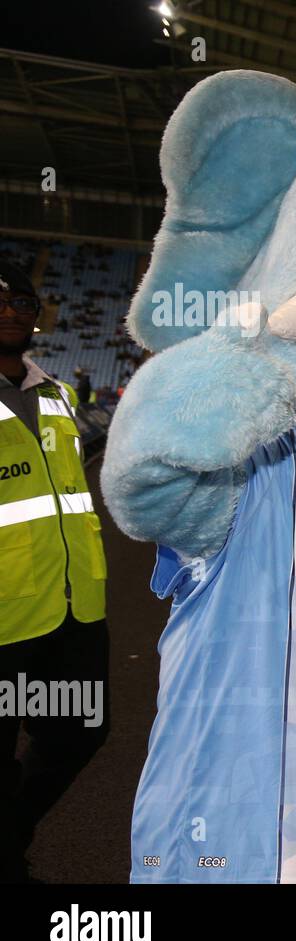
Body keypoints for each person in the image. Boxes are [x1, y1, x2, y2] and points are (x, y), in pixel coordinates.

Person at [0, 260, 110, 883]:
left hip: (73, 611)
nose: (12, 310)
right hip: (4, 614)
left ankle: (9, 839)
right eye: (0, 298)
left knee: (80, 734)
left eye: (22, 299)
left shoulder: (58, 395)